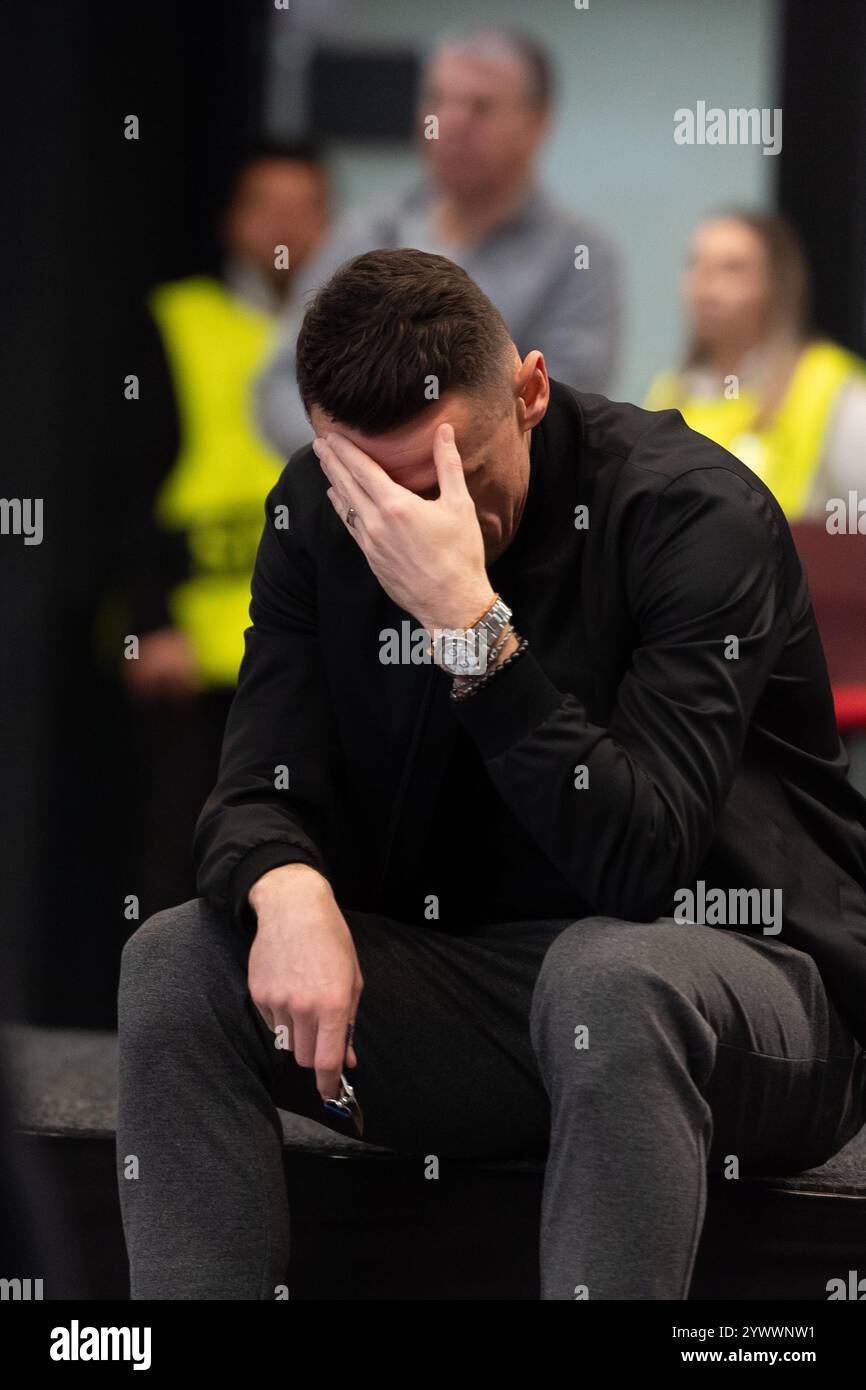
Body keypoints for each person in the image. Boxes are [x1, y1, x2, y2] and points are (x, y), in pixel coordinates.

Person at [117, 248, 866, 1301]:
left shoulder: (691, 516)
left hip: (744, 1000)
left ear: (528, 390)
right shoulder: (319, 515)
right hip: (482, 1002)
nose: (423, 522)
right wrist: (283, 883)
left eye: (449, 475)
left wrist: (468, 627)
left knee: (609, 975)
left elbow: (640, 863)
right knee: (177, 959)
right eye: (375, 488)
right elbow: (256, 783)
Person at [123, 143, 331, 914]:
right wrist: (150, 622)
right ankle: (153, 1033)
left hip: (311, 654)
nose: (283, 226)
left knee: (300, 860)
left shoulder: (344, 335)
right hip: (202, 653)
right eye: (264, 205)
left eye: (302, 208)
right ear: (231, 221)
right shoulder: (181, 322)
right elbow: (129, 483)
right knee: (178, 855)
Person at [255, 24, 620, 460]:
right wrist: (368, 470)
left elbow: (556, 408)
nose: (449, 121)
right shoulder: (366, 232)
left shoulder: (578, 256)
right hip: (348, 499)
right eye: (436, 99)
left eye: (480, 106)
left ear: (537, 124)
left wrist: (417, 466)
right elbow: (281, 382)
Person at [645, 210, 866, 519]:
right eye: (696, 264)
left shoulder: (829, 385)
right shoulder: (671, 395)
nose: (705, 287)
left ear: (777, 286)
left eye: (733, 269)